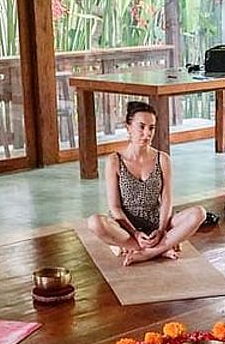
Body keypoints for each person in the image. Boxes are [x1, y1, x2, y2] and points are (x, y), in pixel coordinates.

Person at [85, 101, 205, 265]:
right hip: (125, 227)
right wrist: (134, 233)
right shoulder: (114, 161)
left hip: (157, 222)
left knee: (199, 213)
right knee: (95, 222)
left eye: (151, 128)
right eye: (141, 127)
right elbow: (115, 207)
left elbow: (166, 201)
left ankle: (148, 252)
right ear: (128, 127)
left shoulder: (163, 159)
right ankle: (159, 248)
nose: (147, 133)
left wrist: (162, 230)